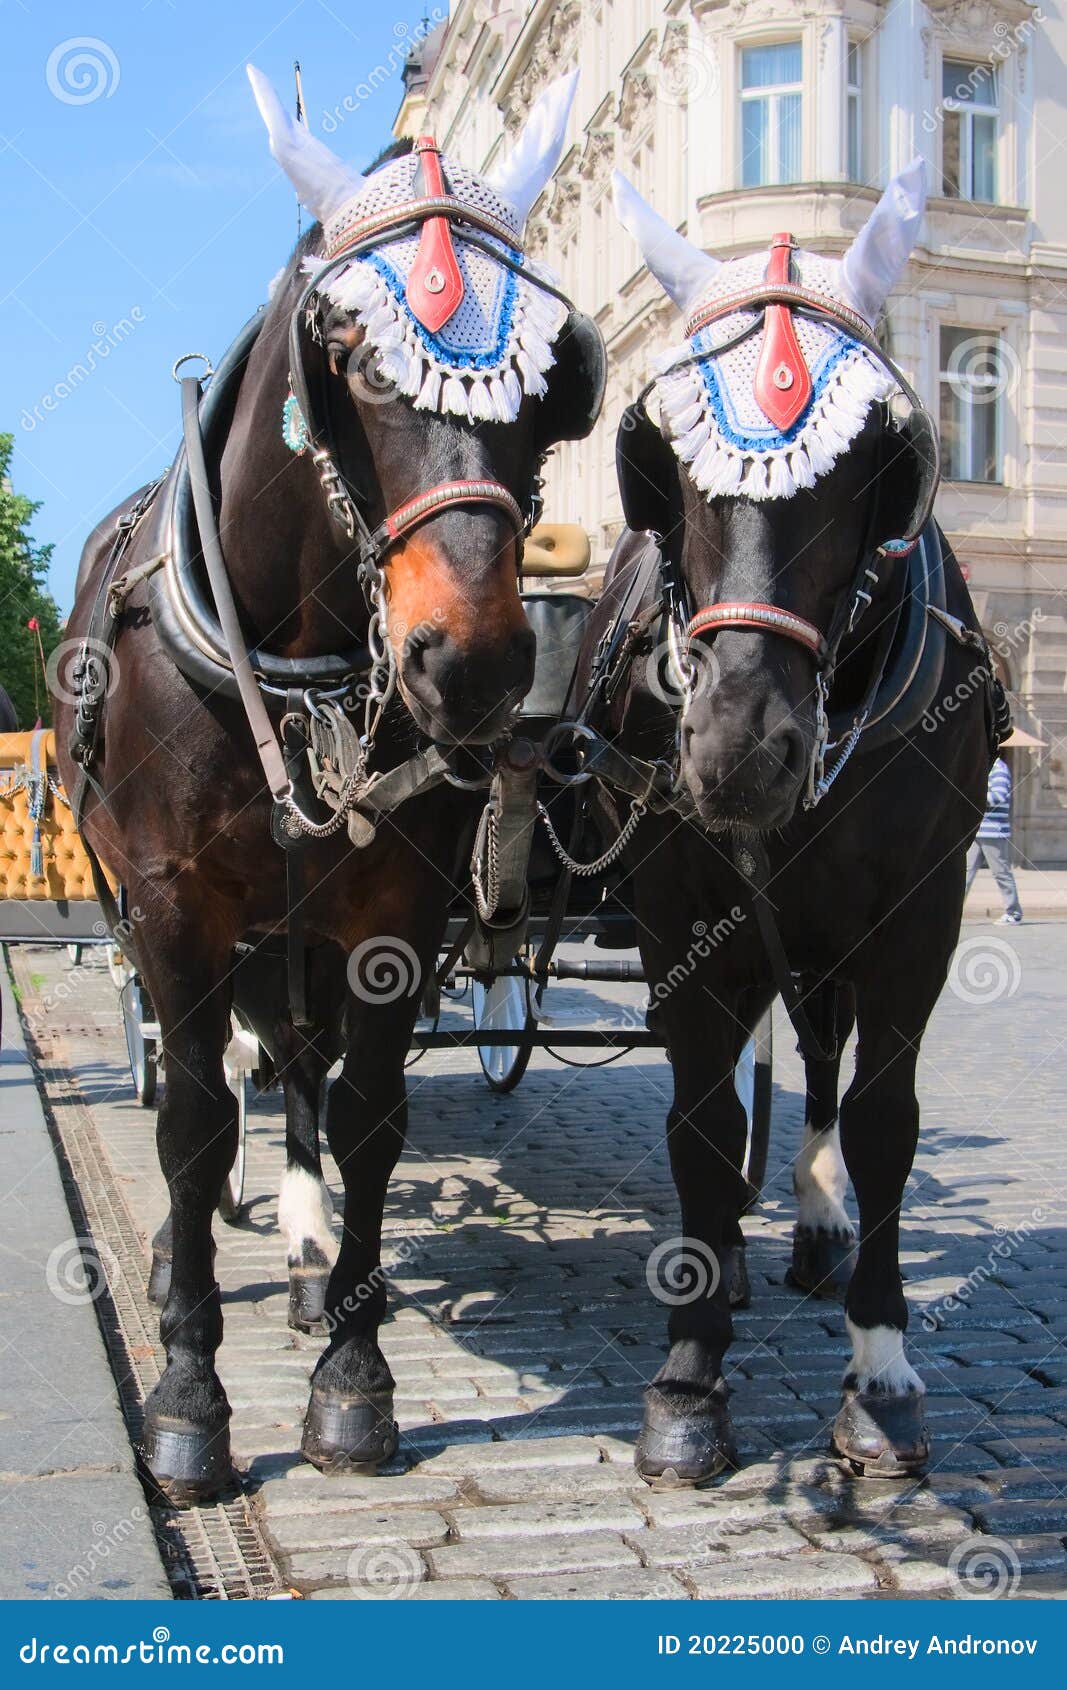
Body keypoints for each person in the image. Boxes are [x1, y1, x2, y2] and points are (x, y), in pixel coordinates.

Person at [966, 754, 1022, 924]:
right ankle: (953, 912)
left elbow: (999, 796)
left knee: (1001, 873)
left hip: (993, 832)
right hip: (978, 830)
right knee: (965, 873)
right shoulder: (984, 769)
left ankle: (1013, 913)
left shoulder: (999, 769)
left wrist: (974, 797)